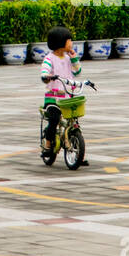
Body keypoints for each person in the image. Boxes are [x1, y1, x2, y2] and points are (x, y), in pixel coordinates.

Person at [40, 26, 81, 162]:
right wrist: (46, 76)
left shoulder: (68, 58)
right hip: (53, 97)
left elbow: (77, 72)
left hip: (68, 95)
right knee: (54, 119)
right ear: (60, 43)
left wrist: (75, 59)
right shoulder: (50, 58)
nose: (71, 43)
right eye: (69, 40)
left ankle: (78, 151)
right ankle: (47, 142)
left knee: (74, 120)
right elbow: (45, 70)